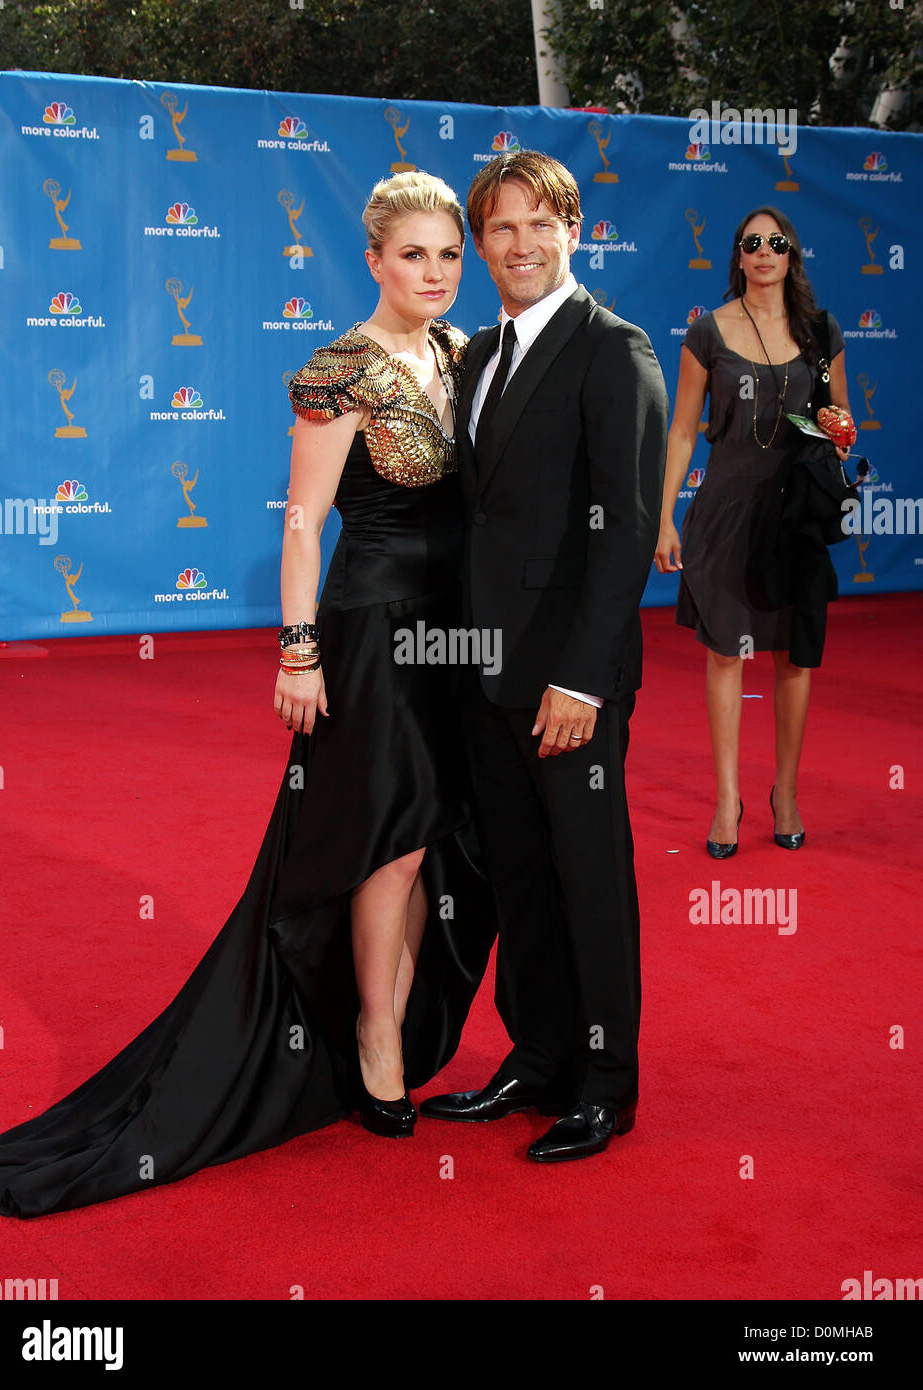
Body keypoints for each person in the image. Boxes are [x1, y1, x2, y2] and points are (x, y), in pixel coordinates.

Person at [0, 171, 496, 1218]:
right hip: (373, 629)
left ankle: (384, 1016)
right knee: (385, 837)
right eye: (414, 255)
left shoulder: (457, 355)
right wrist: (297, 650)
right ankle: (376, 1040)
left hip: (456, 633)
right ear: (374, 261)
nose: (435, 272)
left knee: (439, 832)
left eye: (449, 254)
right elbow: (303, 522)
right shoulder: (336, 370)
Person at [420, 151, 668, 1164]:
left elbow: (626, 532)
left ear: (573, 227)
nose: (517, 246)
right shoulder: (477, 355)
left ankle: (605, 1083)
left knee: (589, 880)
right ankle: (537, 1054)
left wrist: (581, 676)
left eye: (537, 224)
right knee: (519, 877)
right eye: (499, 230)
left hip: (569, 679)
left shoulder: (615, 351)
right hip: (485, 669)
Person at [654, 206, 851, 857]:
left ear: (790, 254)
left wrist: (840, 433)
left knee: (794, 655)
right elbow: (682, 430)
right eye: (750, 243)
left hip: (794, 518)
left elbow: (839, 420)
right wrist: (662, 517)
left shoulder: (820, 333)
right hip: (724, 514)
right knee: (724, 654)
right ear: (736, 256)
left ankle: (786, 793)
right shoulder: (705, 334)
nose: (763, 251)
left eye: (775, 242)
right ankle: (725, 801)